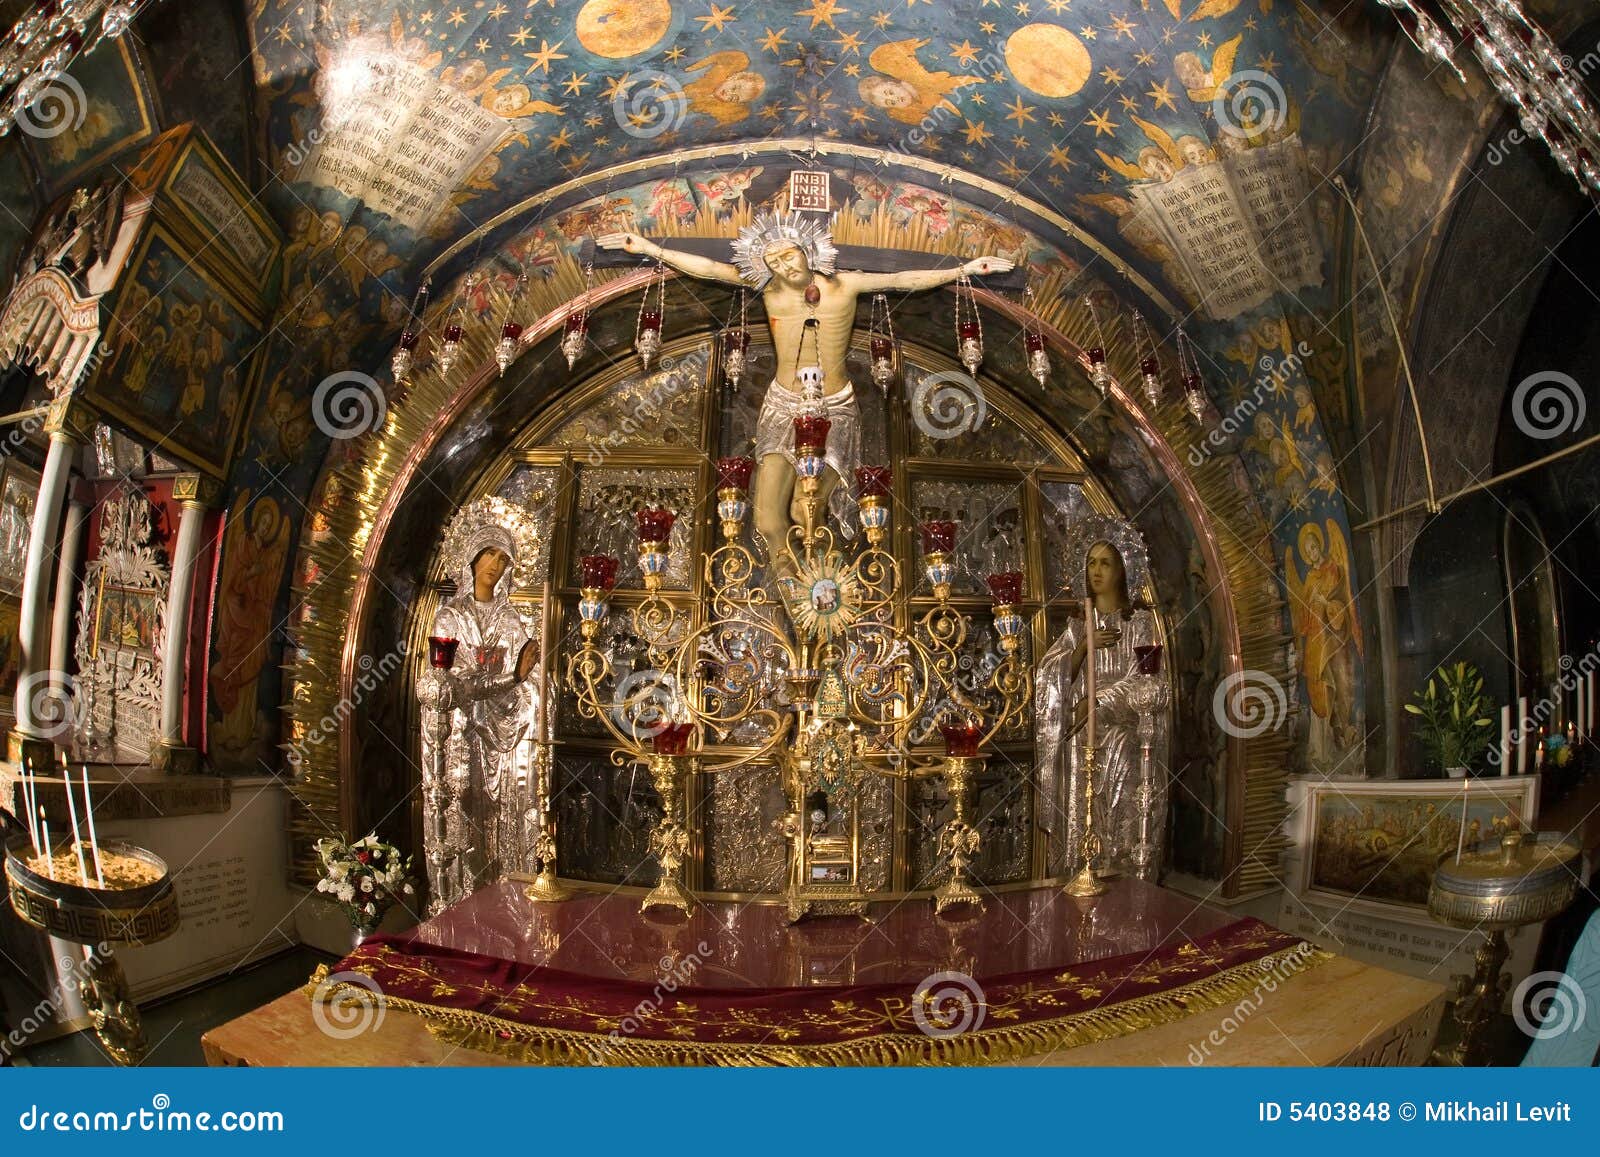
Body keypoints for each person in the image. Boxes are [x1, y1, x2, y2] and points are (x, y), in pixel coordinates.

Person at [598, 213, 1013, 573]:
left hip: (836, 408)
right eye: (773, 261)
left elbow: (904, 278)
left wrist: (964, 269)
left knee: (804, 510)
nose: (783, 265)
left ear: (807, 251)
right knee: (765, 521)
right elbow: (708, 268)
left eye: (789, 254)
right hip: (782, 403)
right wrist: (651, 248)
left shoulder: (843, 286)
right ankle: (797, 596)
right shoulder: (770, 291)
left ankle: (823, 588)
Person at [1035, 528, 1168, 879]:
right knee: (1082, 813)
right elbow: (1050, 675)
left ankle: (1123, 885)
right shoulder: (1077, 628)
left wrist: (1095, 702)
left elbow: (1145, 681)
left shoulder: (1139, 624)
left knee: (1120, 815)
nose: (1097, 570)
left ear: (1122, 570)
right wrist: (1084, 647)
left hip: (1121, 738)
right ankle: (1080, 879)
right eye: (1091, 563)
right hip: (1082, 738)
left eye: (1106, 563)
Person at [421, 523, 540, 910]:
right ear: (472, 557)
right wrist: (509, 677)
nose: (495, 565)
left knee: (507, 817)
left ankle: (510, 905)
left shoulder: (510, 619)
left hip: (508, 737)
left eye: (504, 559)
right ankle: (460, 907)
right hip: (462, 735)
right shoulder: (450, 618)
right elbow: (450, 685)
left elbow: (531, 676)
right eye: (490, 554)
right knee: (465, 815)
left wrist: (522, 682)